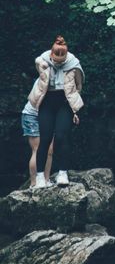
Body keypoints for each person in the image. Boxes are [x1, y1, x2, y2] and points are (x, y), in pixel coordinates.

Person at [29, 36, 84, 188]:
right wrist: (42, 64)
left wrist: (75, 109)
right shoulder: (43, 61)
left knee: (61, 136)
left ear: (66, 57)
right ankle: (40, 177)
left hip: (64, 102)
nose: (59, 62)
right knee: (45, 138)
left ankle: (62, 173)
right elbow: (37, 62)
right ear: (51, 55)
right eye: (56, 60)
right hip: (46, 102)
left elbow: (79, 85)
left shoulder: (74, 64)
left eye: (62, 60)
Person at [21, 94, 54, 188]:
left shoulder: (68, 83)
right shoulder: (45, 79)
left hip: (49, 116)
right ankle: (34, 183)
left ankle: (46, 180)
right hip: (32, 115)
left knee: (50, 150)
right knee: (37, 149)